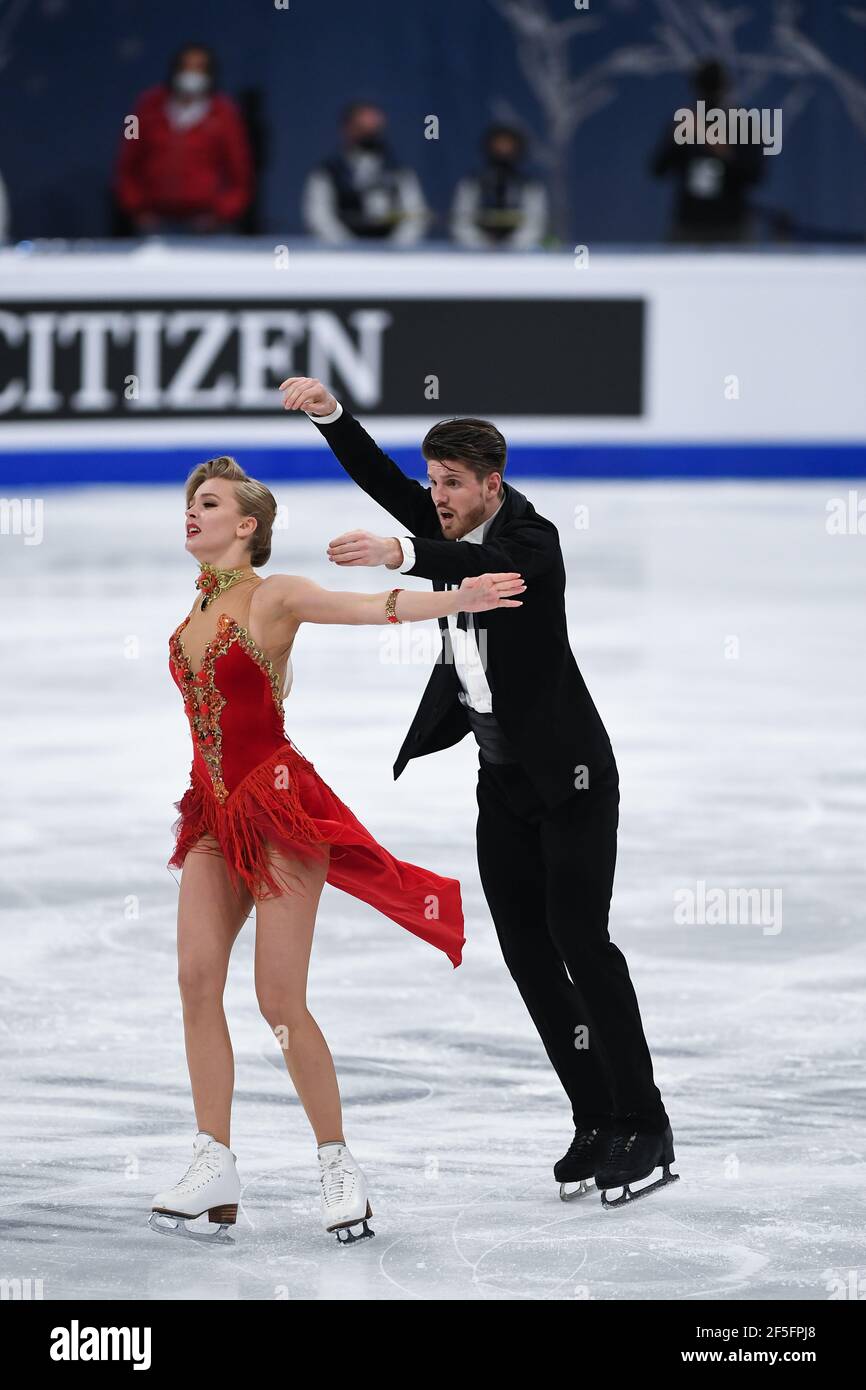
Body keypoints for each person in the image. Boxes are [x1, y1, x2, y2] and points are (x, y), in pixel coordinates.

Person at [280, 376, 679, 1209]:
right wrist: (331, 417)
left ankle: (646, 1122)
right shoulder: (441, 517)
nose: (436, 499)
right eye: (434, 484)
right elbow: (383, 484)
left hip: (571, 782)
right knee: (530, 956)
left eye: (452, 485)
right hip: (501, 784)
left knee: (583, 943)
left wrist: (402, 554)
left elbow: (481, 565)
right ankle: (596, 1116)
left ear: (491, 483)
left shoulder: (532, 539)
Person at [149, 453, 524, 1244]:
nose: (192, 512)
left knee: (279, 1001)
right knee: (194, 980)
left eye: (208, 504)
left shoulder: (272, 595)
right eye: (190, 502)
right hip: (215, 818)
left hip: (282, 813)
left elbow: (366, 608)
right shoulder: (188, 620)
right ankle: (213, 1159)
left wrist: (458, 596)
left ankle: (336, 1162)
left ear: (246, 527)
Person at [114, 43, 252, 236]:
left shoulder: (225, 114)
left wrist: (221, 214)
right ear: (175, 70)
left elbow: (240, 174)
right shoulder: (145, 108)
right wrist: (136, 208)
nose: (191, 74)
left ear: (209, 74)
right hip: (152, 222)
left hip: (206, 223)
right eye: (186, 67)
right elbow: (126, 164)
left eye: (199, 68)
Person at [651, 59, 765, 244]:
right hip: (689, 225)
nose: (710, 96)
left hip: (731, 226)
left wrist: (718, 146)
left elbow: (755, 174)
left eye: (715, 88)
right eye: (706, 88)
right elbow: (658, 169)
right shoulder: (686, 123)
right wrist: (678, 138)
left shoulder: (742, 123)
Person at [301, 102, 429, 246]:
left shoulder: (399, 172)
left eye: (375, 129)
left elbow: (415, 215)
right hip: (343, 257)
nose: (370, 135)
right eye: (362, 128)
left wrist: (395, 248)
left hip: (392, 258)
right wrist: (350, 248)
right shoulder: (327, 173)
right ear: (347, 129)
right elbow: (319, 218)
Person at [450, 124, 547, 250]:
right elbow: (461, 220)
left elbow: (535, 222)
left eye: (508, 144)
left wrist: (513, 245)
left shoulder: (530, 185)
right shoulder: (472, 183)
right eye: (498, 144)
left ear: (518, 148)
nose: (503, 149)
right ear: (489, 147)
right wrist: (480, 244)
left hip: (520, 255)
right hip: (475, 255)